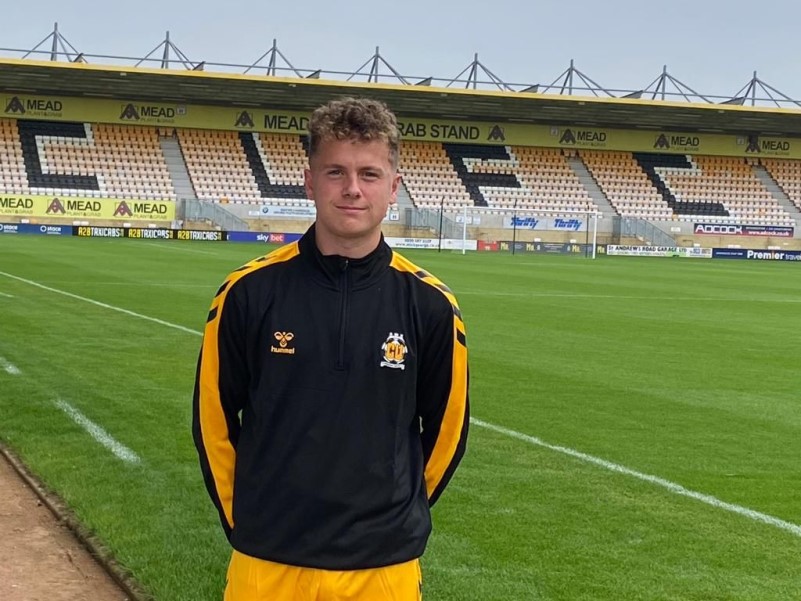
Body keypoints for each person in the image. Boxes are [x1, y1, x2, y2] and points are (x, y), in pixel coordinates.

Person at [193, 96, 469, 601]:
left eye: (369, 174)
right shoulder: (247, 292)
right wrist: (248, 518)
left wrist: (396, 518)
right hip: (268, 560)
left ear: (393, 187)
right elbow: (213, 419)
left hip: (382, 568)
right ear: (309, 181)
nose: (352, 189)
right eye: (335, 171)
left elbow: (446, 433)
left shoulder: (431, 305)